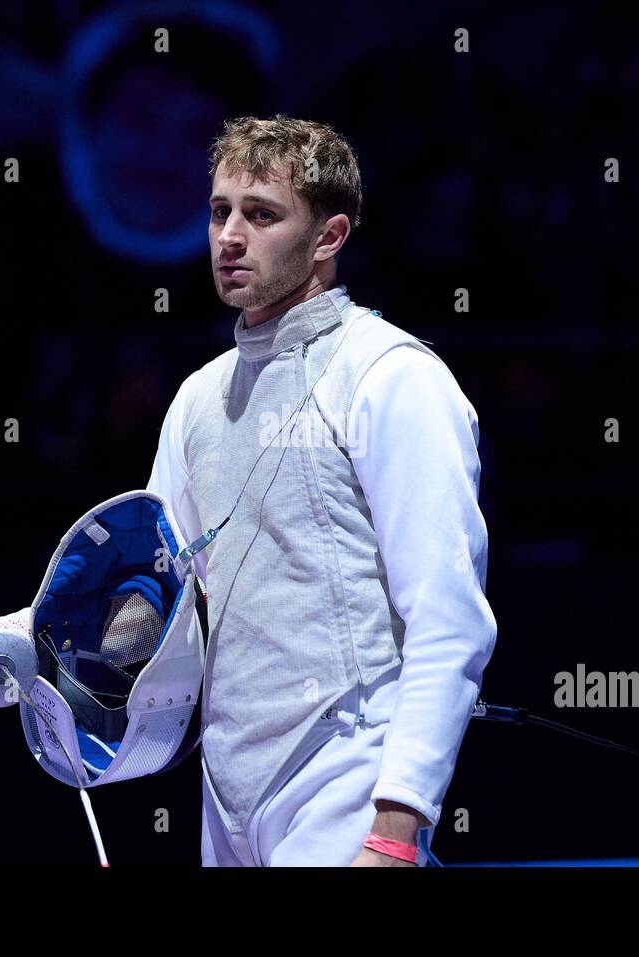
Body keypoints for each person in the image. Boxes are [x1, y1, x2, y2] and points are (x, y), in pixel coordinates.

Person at [146, 114, 498, 866]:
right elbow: (153, 600)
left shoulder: (391, 377)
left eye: (261, 214)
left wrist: (394, 831)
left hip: (348, 775)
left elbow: (448, 620)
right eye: (219, 211)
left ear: (329, 236)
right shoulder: (198, 402)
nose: (230, 236)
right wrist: (30, 641)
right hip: (227, 799)